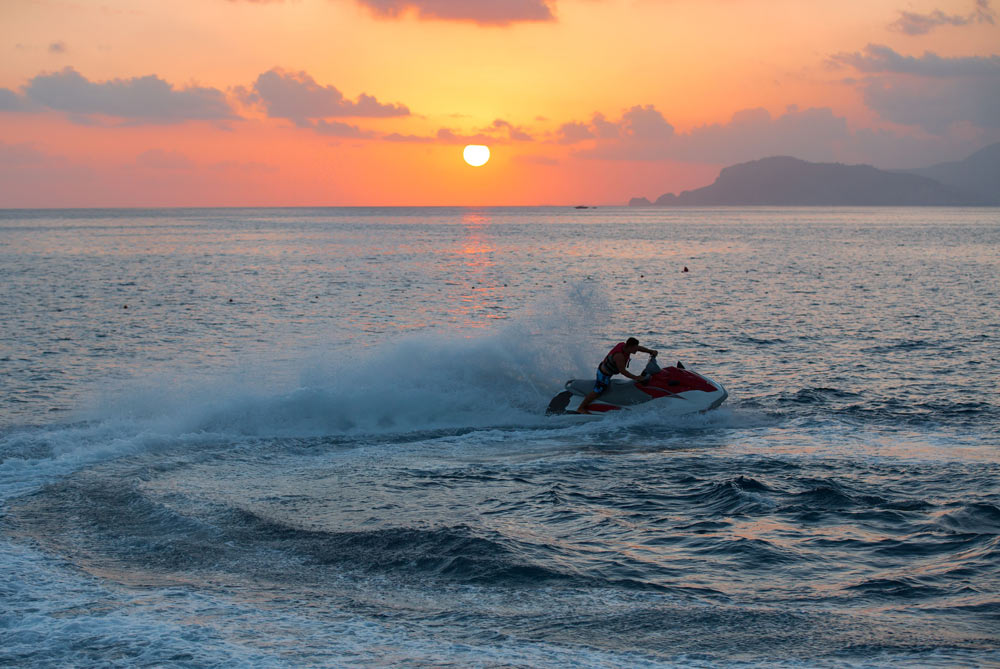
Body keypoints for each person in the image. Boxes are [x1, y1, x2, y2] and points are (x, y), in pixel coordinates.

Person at [576, 337, 658, 414]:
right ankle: (581, 408)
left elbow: (639, 348)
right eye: (635, 348)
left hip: (609, 370)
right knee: (599, 390)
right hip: (604, 374)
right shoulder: (619, 356)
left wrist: (650, 351)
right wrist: (636, 377)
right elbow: (623, 371)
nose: (636, 350)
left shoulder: (625, 346)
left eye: (636, 348)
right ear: (630, 347)